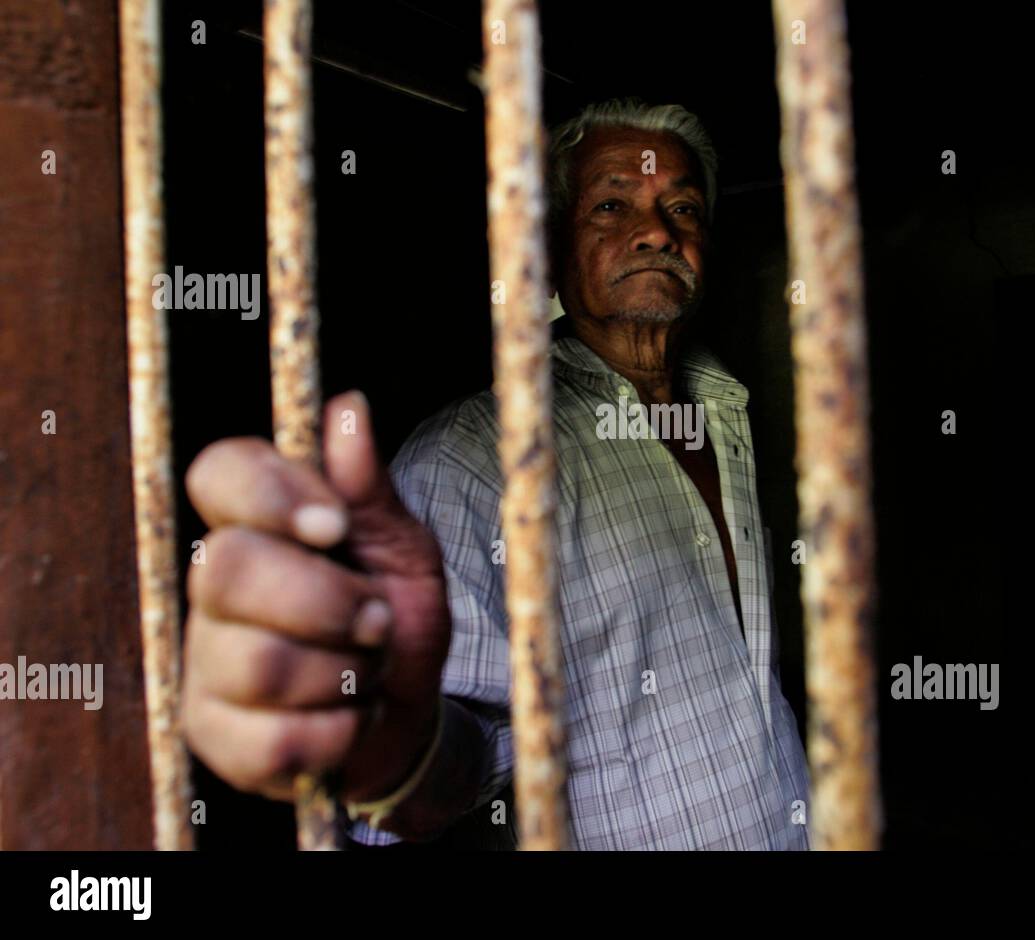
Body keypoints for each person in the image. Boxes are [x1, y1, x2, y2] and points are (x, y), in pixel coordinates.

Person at [180, 99, 810, 850]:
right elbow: (453, 761)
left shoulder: (725, 401)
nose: (657, 232)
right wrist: (392, 744)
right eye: (612, 204)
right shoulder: (473, 457)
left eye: (682, 207)